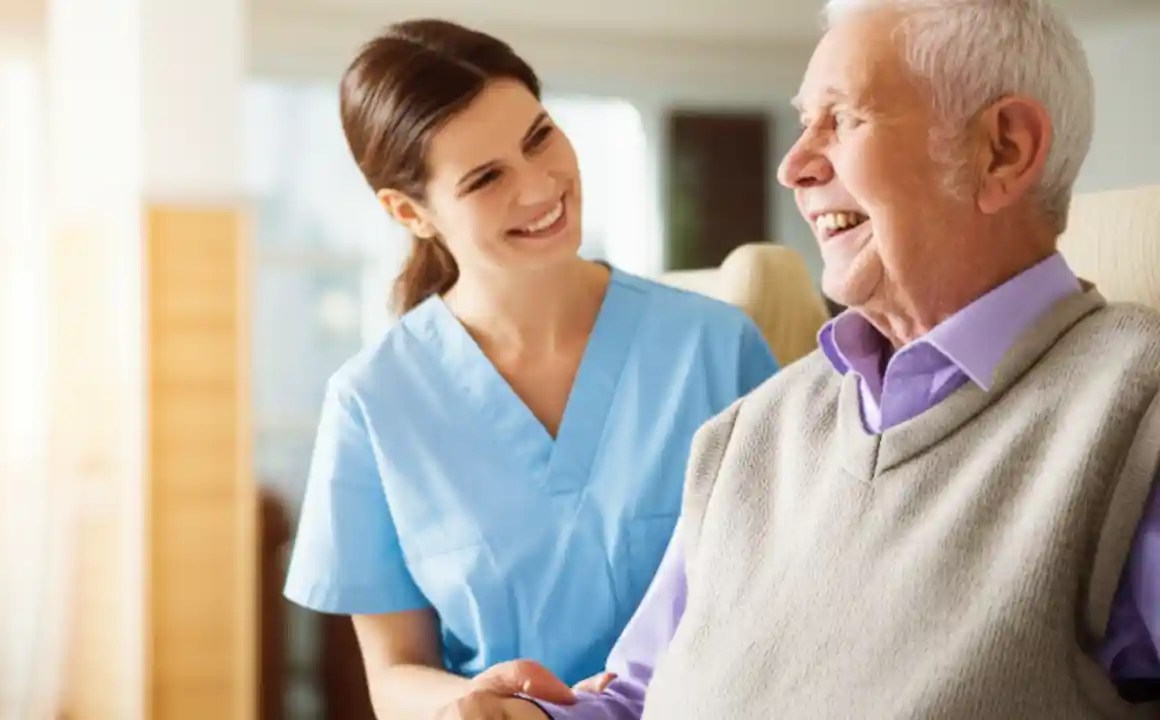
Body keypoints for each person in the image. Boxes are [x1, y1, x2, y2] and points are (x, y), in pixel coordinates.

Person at [439, 0, 1160, 718]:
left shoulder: (1136, 414)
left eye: (843, 119)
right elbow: (637, 698)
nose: (793, 166)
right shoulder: (747, 433)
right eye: (802, 122)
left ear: (1002, 148)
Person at [281, 18, 779, 720]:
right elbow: (394, 674)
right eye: (487, 177)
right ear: (409, 212)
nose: (540, 186)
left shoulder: (717, 349)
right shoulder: (374, 403)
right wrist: (479, 703)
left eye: (539, 136)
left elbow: (803, 589)